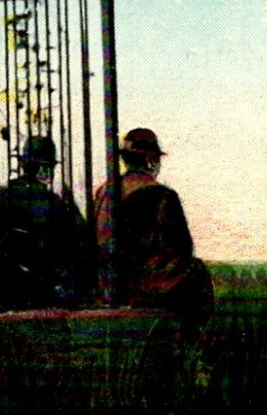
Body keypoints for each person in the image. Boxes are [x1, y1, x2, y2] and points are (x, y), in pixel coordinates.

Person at [92, 127, 215, 330]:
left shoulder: (103, 192)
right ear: (150, 160)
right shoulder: (161, 195)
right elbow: (183, 249)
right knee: (198, 272)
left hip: (107, 283)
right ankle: (188, 344)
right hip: (141, 287)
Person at [0, 135, 92, 309]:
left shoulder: (4, 198)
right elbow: (80, 242)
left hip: (3, 290)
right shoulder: (53, 203)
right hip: (40, 292)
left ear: (23, 164)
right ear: (45, 168)